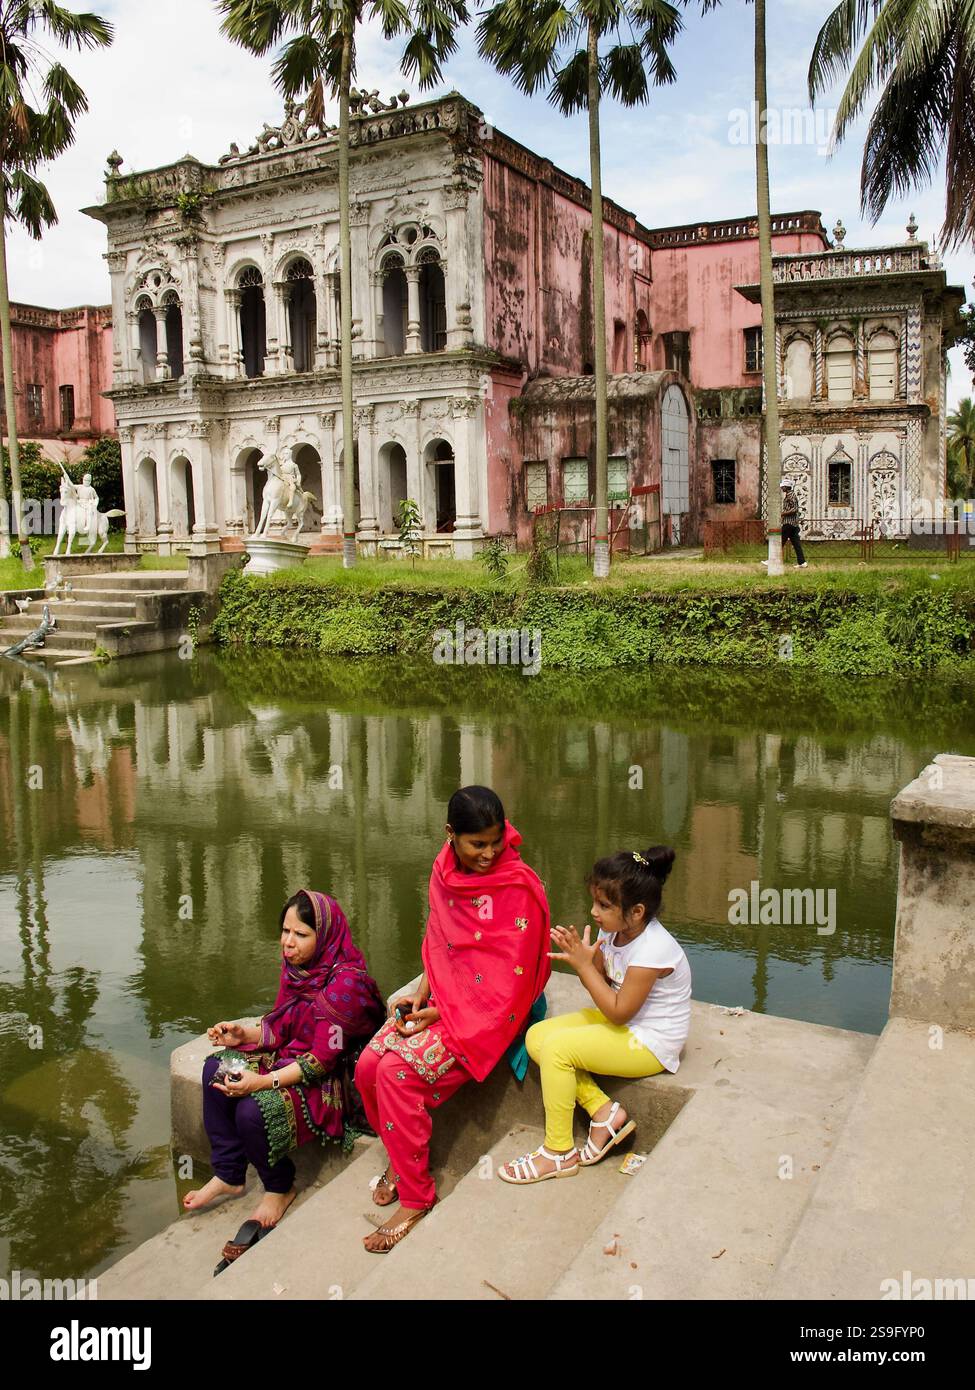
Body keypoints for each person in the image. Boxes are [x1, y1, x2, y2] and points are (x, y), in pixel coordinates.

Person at [355, 786, 551, 1252]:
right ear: (451, 835)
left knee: (398, 1073)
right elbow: (440, 940)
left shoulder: (519, 886)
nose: (488, 854)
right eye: (476, 844)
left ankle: (418, 1197)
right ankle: (400, 1160)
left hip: (492, 1015)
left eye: (495, 841)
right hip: (443, 998)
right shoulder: (444, 868)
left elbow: (513, 980)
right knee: (366, 1067)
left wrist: (442, 1010)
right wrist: (424, 993)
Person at [184, 889, 385, 1240]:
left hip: (330, 1080)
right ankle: (230, 1174)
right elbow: (280, 1024)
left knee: (251, 1111)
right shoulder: (298, 967)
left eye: (300, 935)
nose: (288, 943)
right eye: (285, 931)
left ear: (324, 936)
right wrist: (241, 1034)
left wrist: (261, 1083)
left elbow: (322, 1061)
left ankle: (279, 1188)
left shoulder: (345, 984)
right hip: (291, 1056)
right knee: (215, 1068)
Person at [498, 846, 691, 1184]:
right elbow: (601, 984)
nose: (594, 912)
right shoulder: (614, 931)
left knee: (558, 1050)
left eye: (604, 905)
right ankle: (604, 1112)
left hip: (650, 1042)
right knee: (536, 1037)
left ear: (636, 912)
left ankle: (558, 1153)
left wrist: (584, 967)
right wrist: (587, 961)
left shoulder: (654, 950)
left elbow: (616, 1012)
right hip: (626, 1024)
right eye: (595, 902)